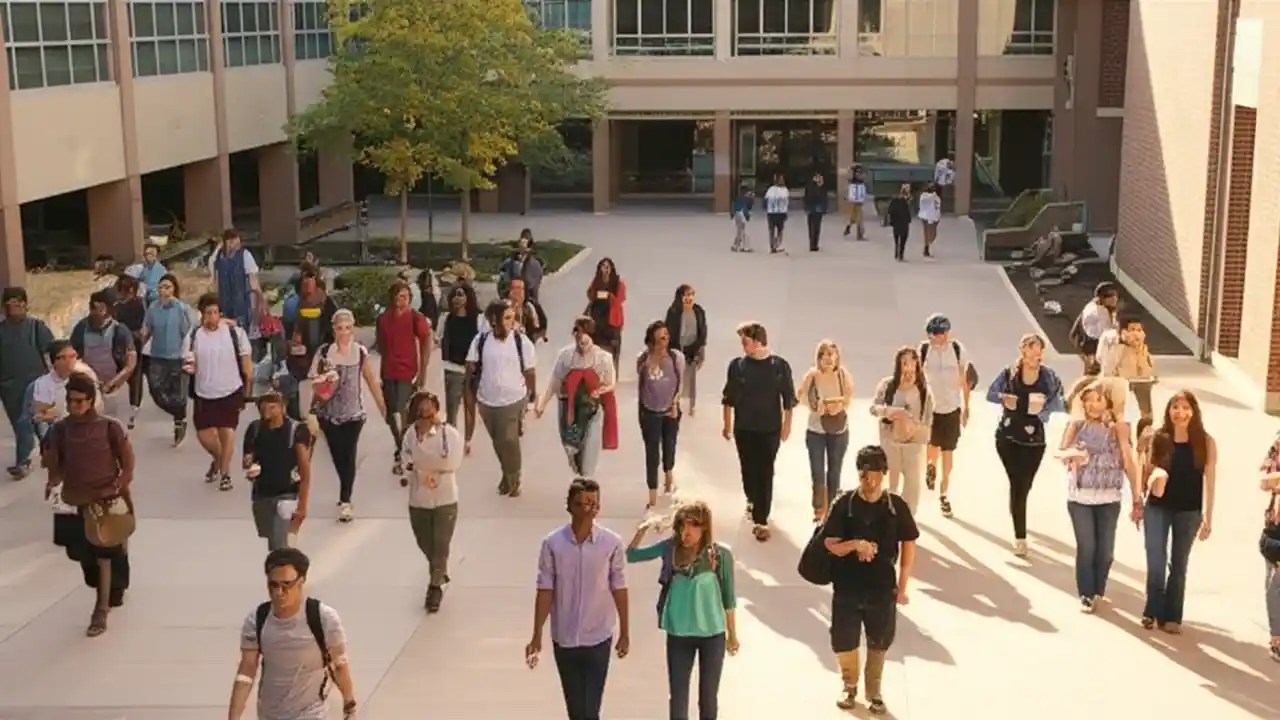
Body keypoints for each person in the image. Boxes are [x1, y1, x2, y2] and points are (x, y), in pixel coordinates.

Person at [821, 445, 918, 715]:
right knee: (843, 640)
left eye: (875, 474)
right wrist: (855, 544)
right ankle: (849, 685)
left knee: (879, 642)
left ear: (884, 474)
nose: (870, 481)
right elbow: (830, 543)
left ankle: (874, 691)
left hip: (881, 589)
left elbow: (909, 543)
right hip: (847, 588)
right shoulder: (845, 503)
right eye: (864, 475)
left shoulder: (896, 506)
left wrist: (903, 585)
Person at [526, 479, 629, 720]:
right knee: (576, 710)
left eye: (592, 504)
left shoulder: (611, 544)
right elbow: (545, 590)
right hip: (565, 639)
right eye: (580, 504)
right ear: (569, 506)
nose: (586, 509)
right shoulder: (553, 544)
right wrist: (536, 635)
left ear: (599, 507)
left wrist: (625, 632)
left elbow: (620, 588)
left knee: (590, 710)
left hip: (598, 637)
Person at [626, 500, 739, 720]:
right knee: (678, 697)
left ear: (704, 527)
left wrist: (732, 635)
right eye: (682, 525)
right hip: (678, 634)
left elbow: (729, 598)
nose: (685, 532)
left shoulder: (720, 556)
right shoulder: (670, 549)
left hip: (712, 635)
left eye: (693, 526)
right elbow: (631, 556)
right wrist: (643, 529)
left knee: (708, 698)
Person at [43, 371, 136, 637]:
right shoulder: (61, 429)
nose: (75, 406)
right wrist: (51, 476)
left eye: (81, 401)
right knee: (80, 554)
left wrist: (118, 487)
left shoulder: (110, 427)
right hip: (73, 501)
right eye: (71, 401)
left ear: (91, 400)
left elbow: (127, 464)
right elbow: (56, 464)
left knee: (103, 554)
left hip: (106, 500)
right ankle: (112, 583)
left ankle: (100, 610)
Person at [228, 548, 357, 720]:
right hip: (270, 712)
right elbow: (247, 670)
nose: (278, 593)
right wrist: (233, 716)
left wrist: (349, 706)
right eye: (273, 585)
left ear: (301, 581)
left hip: (311, 712)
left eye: (286, 585)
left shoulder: (323, 618)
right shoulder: (257, 620)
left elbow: (340, 664)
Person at [1057, 381, 1141, 613]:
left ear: (1108, 402)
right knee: (1087, 546)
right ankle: (1085, 593)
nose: (1093, 404)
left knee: (1105, 552)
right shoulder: (1076, 425)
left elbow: (1129, 462)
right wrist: (1074, 453)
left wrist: (1137, 497)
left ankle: (1097, 590)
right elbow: (1060, 452)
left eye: (1098, 399)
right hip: (1080, 497)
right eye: (1088, 400)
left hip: (1110, 497)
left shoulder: (1120, 428)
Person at [1142, 390, 1216, 634]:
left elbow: (1210, 480)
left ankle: (1172, 616)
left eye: (1185, 407)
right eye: (1175, 406)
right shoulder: (1159, 437)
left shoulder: (1205, 442)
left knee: (1179, 564)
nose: (1180, 412)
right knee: (1156, 561)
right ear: (1168, 410)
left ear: (1193, 412)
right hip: (1157, 507)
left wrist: (1208, 516)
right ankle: (1152, 610)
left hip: (1189, 510)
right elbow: (1147, 470)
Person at [986, 333, 1066, 557]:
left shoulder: (1048, 376)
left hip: (1035, 439)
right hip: (1008, 436)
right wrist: (1004, 399)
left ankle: (1017, 515)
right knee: (1017, 485)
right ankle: (1020, 537)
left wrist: (1044, 412)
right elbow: (991, 394)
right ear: (1023, 351)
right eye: (1032, 350)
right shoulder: (1010, 373)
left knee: (1025, 485)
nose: (1036, 355)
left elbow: (1061, 400)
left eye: (1040, 350)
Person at [309, 309, 387, 523]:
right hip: (328, 413)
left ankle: (346, 499)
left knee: (349, 454)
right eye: (339, 327)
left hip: (354, 414)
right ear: (333, 329)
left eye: (348, 327)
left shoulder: (360, 352)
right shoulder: (324, 353)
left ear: (354, 329)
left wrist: (382, 406)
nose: (344, 332)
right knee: (337, 454)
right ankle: (345, 487)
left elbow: (371, 380)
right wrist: (313, 405)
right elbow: (314, 382)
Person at [721, 322, 796, 542]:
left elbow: (788, 398)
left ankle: (761, 519)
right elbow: (729, 398)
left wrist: (787, 424)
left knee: (765, 470)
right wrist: (726, 425)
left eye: (745, 341)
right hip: (744, 427)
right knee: (748, 468)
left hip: (769, 428)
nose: (743, 346)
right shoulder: (738, 366)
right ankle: (752, 499)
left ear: (757, 341)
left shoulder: (779, 366)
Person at [465, 300, 537, 497]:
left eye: (511, 318)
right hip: (487, 401)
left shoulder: (521, 342)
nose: (509, 322)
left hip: (514, 399)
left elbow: (530, 371)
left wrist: (531, 398)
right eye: (505, 318)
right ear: (493, 320)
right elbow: (470, 369)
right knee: (498, 441)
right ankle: (506, 476)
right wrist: (470, 396)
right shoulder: (480, 341)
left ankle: (514, 479)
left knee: (509, 439)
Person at [401, 390, 464, 612]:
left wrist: (423, 466)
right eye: (421, 411)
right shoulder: (411, 435)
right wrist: (416, 466)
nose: (425, 415)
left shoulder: (450, 435)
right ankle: (439, 568)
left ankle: (435, 585)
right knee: (425, 543)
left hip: (445, 498)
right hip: (419, 499)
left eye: (429, 410)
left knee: (441, 544)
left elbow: (452, 463)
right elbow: (406, 459)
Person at [536, 316, 618, 482]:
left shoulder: (603, 358)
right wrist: (542, 403)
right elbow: (555, 380)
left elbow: (611, 382)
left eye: (586, 334)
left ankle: (585, 482)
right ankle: (578, 468)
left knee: (589, 452)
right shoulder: (565, 356)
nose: (582, 339)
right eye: (578, 334)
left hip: (591, 410)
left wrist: (600, 391)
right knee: (570, 450)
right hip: (567, 408)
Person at [184, 293, 252, 491]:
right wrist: (189, 367)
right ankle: (219, 459)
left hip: (230, 389)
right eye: (207, 313)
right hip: (204, 392)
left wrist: (247, 389)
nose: (211, 317)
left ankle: (225, 473)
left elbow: (247, 363)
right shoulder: (194, 335)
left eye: (215, 312)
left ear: (220, 313)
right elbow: (188, 361)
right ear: (202, 314)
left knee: (227, 431)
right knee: (204, 435)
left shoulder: (235, 333)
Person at [375, 280, 432, 479]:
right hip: (388, 371)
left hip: (408, 372)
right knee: (391, 414)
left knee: (403, 411)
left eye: (405, 297)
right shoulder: (383, 319)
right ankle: (402, 446)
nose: (402, 300)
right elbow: (380, 343)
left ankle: (405, 452)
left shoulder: (416, 318)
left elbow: (426, 341)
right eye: (398, 296)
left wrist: (423, 371)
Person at [242, 392, 311, 551]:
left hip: (288, 493)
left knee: (281, 544)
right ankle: (282, 565)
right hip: (262, 493)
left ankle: (287, 569)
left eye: (273, 406)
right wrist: (248, 465)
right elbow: (248, 458)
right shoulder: (255, 428)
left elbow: (304, 469)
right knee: (272, 539)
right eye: (263, 406)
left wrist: (302, 505)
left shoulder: (296, 430)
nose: (267, 411)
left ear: (282, 408)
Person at [870, 347, 934, 516]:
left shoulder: (924, 391)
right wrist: (890, 412)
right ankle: (889, 518)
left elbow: (929, 420)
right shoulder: (887, 386)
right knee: (891, 485)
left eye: (912, 363)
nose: (909, 368)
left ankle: (908, 520)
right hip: (891, 441)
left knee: (912, 486)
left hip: (914, 443)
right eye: (905, 363)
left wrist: (915, 427)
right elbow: (874, 408)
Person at [919, 314, 972, 519]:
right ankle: (930, 468)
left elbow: (965, 379)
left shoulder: (957, 350)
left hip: (952, 408)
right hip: (932, 408)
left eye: (939, 334)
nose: (935, 339)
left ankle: (944, 492)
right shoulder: (924, 350)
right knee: (932, 448)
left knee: (948, 451)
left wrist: (967, 407)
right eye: (932, 335)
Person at [797, 339, 854, 523]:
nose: (828, 359)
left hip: (838, 430)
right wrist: (815, 407)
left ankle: (832, 509)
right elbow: (801, 395)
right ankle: (819, 508)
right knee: (818, 472)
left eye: (831, 354)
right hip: (816, 430)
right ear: (819, 358)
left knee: (834, 471)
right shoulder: (812, 375)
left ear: (837, 357)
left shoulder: (843, 375)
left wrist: (838, 406)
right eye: (824, 355)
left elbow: (848, 397)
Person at [0, 286, 54, 478]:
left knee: (30, 422)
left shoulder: (36, 327)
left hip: (36, 383)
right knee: (20, 424)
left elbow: (51, 352)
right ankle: (43, 453)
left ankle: (23, 462)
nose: (12, 306)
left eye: (16, 301)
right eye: (8, 302)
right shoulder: (1, 331)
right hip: (9, 387)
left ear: (24, 304)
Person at [634, 320, 685, 508]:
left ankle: (669, 474)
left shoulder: (675, 357)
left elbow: (680, 385)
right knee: (651, 453)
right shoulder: (643, 359)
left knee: (670, 445)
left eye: (666, 335)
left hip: (670, 410)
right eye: (661, 336)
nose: (665, 338)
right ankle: (652, 494)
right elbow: (641, 385)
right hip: (649, 412)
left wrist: (675, 403)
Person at [70, 289, 138, 423]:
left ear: (109, 310)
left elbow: (131, 364)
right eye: (94, 308)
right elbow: (71, 355)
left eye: (101, 309)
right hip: (88, 385)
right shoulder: (81, 328)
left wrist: (113, 383)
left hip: (114, 387)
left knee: (114, 426)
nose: (97, 313)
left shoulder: (120, 330)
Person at [140, 273, 193, 444]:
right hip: (157, 356)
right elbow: (146, 329)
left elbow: (189, 334)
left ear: (174, 289)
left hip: (177, 357)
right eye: (161, 287)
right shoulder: (153, 308)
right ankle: (178, 413)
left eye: (168, 287)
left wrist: (189, 356)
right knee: (156, 391)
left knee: (178, 394)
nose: (164, 291)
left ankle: (179, 422)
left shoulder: (182, 309)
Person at [285, 267, 337, 422]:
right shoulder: (294, 304)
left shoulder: (327, 303)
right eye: (304, 280)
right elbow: (289, 329)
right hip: (302, 357)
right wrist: (293, 341)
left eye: (311, 278)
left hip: (322, 353)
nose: (307, 283)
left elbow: (333, 328)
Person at [30, 341, 103, 443]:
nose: (69, 361)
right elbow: (39, 415)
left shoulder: (86, 375)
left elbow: (97, 406)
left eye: (72, 356)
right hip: (59, 431)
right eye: (63, 357)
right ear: (53, 361)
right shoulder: (43, 383)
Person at [439, 283, 487, 428]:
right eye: (454, 296)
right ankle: (452, 436)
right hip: (453, 369)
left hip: (473, 369)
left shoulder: (479, 319)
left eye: (460, 295)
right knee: (452, 408)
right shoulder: (446, 319)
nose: (457, 299)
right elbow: (438, 339)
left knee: (470, 406)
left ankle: (467, 439)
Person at [208, 228, 265, 343]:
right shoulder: (219, 256)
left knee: (239, 336)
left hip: (241, 304)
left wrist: (261, 303)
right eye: (234, 240)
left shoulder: (244, 255)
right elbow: (214, 281)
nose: (237, 243)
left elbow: (254, 284)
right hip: (227, 304)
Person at [1097, 315, 1157, 422]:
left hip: (1141, 381)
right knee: (1116, 409)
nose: (1136, 334)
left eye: (1139, 330)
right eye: (1132, 329)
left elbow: (1149, 367)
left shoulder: (1143, 348)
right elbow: (1107, 367)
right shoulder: (1117, 348)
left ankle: (1145, 422)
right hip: (1119, 381)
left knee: (1146, 409)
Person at [664, 284, 707, 417]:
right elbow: (668, 331)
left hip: (693, 350)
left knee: (691, 378)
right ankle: (674, 403)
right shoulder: (673, 312)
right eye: (686, 295)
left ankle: (691, 406)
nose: (689, 298)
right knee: (676, 378)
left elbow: (703, 331)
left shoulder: (699, 311)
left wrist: (699, 347)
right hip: (677, 349)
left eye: (691, 295)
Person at [113, 274, 148, 430]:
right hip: (120, 342)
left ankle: (134, 406)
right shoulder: (116, 306)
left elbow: (141, 325)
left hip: (133, 342)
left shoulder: (138, 304)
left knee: (135, 375)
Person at [1257, 430, 1280, 662]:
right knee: (1275, 584)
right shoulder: (1279, 444)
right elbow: (1263, 480)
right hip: (1276, 527)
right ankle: (1277, 637)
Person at [585, 258, 626, 371]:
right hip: (597, 318)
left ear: (612, 268)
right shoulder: (596, 281)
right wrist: (595, 295)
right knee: (597, 347)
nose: (605, 269)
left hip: (612, 320)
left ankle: (614, 371)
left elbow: (621, 299)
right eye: (603, 267)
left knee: (613, 348)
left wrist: (609, 296)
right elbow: (589, 294)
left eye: (608, 267)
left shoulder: (618, 283)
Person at [1072, 282, 1120, 375]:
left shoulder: (1101, 307)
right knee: (1094, 373)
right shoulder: (1098, 311)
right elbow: (1105, 333)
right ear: (1101, 298)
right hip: (1090, 344)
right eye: (1110, 296)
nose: (1114, 299)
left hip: (1090, 341)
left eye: (1115, 295)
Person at [509, 276, 548, 343]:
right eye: (513, 288)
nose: (515, 291)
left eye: (518, 288)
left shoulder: (532, 307)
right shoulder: (503, 307)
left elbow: (542, 324)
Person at [763, 174, 789, 254]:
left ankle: (773, 246)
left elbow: (765, 201)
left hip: (771, 212)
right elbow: (787, 202)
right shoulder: (785, 190)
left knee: (771, 230)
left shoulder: (770, 189)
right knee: (780, 230)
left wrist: (767, 208)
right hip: (781, 212)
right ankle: (777, 244)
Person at [887, 184, 913, 262]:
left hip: (900, 221)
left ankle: (898, 253)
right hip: (901, 221)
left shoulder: (901, 200)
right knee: (902, 238)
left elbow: (890, 211)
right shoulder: (902, 200)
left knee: (899, 238)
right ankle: (900, 254)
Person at [804, 171, 828, 252]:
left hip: (819, 209)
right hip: (811, 208)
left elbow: (824, 199)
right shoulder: (811, 186)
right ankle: (812, 244)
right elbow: (807, 197)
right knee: (811, 227)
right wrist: (806, 208)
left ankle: (815, 244)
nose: (820, 179)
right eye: (818, 178)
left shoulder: (822, 187)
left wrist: (824, 209)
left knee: (817, 227)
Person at [843, 165, 868, 240]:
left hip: (857, 201)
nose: (859, 174)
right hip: (855, 200)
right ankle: (858, 233)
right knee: (857, 217)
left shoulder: (856, 182)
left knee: (856, 217)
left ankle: (851, 228)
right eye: (858, 172)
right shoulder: (854, 182)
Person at [918, 182, 942, 257]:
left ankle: (927, 246)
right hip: (926, 217)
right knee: (927, 233)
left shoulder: (937, 198)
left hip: (934, 217)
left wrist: (938, 217)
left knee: (933, 235)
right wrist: (933, 195)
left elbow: (938, 208)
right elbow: (926, 199)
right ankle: (926, 248)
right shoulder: (924, 196)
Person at [730, 185, 754, 252]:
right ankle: (745, 247)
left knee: (739, 231)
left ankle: (735, 246)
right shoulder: (746, 198)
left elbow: (733, 206)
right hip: (742, 214)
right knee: (744, 232)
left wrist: (732, 215)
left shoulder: (738, 197)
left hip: (737, 215)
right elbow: (748, 207)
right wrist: (747, 217)